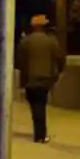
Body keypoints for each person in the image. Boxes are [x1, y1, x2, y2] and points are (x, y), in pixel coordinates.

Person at [17, 14, 64, 144]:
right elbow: (59, 58)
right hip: (45, 79)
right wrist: (58, 72)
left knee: (35, 106)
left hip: (30, 79)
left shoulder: (25, 42)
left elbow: (20, 61)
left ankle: (39, 133)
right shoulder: (51, 41)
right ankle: (41, 135)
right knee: (41, 105)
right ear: (44, 27)